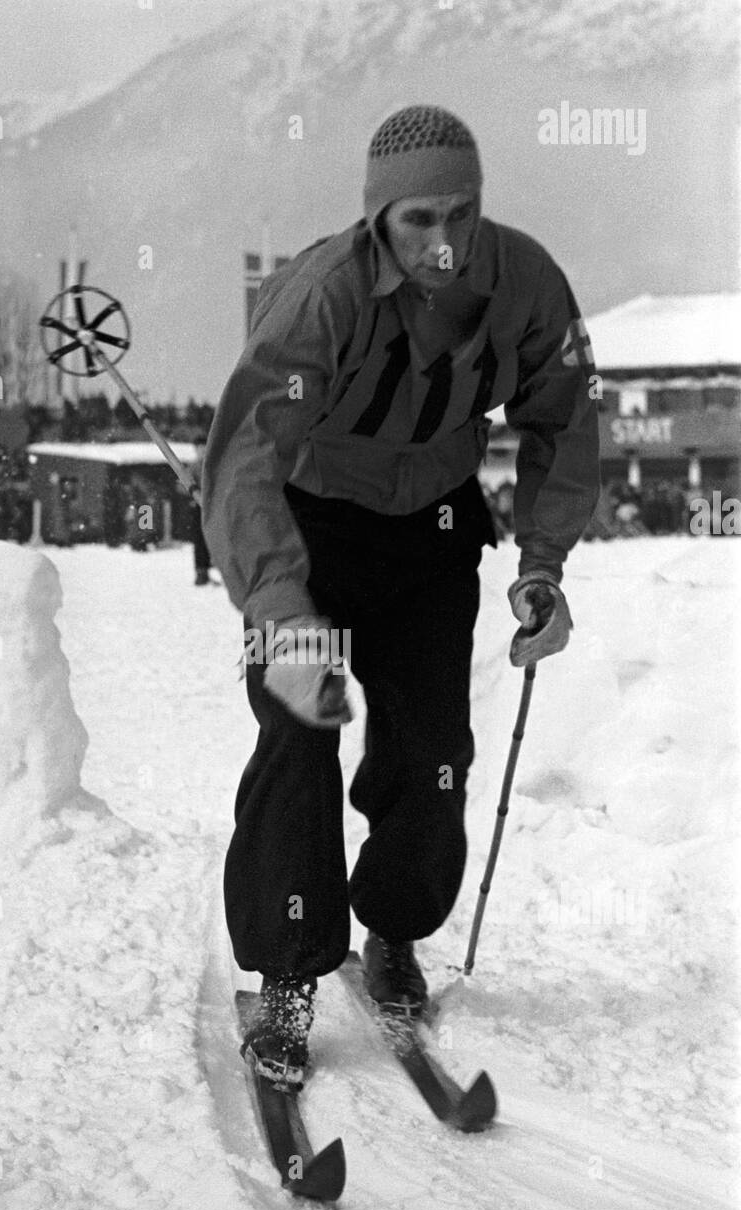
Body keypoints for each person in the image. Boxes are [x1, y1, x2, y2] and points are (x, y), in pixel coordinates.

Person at [202, 105, 601, 1088]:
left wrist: (543, 564)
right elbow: (245, 452)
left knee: (433, 755)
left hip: (432, 529)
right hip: (310, 528)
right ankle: (290, 971)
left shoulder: (526, 284)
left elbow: (567, 421)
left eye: (461, 213)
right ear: (379, 218)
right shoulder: (322, 296)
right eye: (420, 219)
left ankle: (392, 933)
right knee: (299, 741)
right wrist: (284, 615)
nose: (445, 241)